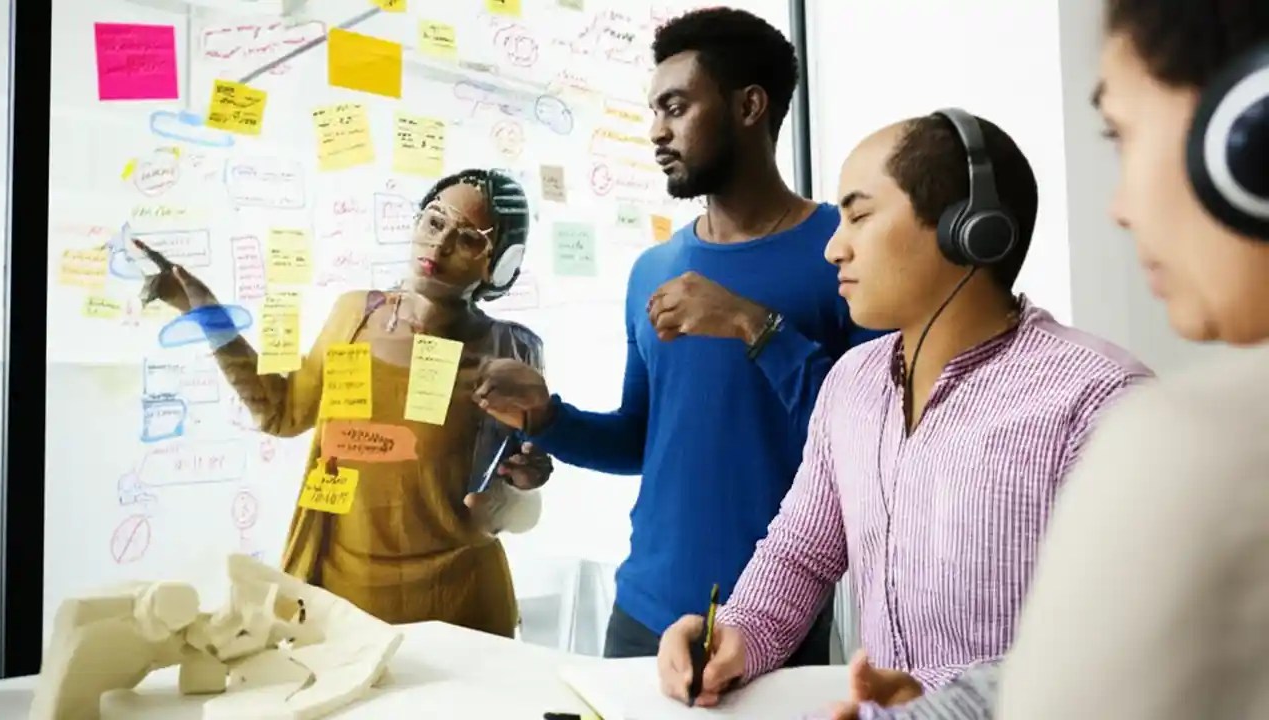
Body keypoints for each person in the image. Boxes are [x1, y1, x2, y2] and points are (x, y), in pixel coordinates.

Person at [801, 2, 1269, 719]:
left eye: (1122, 133)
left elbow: (1095, 685)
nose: (1116, 205)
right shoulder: (853, 384)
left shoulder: (1148, 419)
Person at [654, 109, 1153, 710]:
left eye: (859, 216)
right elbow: (802, 552)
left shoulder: (1100, 400)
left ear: (967, 229)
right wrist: (739, 634)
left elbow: (1122, 645)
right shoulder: (852, 383)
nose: (835, 248)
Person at [473, 7, 885, 663]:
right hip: (639, 613)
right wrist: (546, 417)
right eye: (653, 112)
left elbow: (872, 445)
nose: (656, 133)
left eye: (675, 107)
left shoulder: (845, 252)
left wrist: (755, 325)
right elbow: (641, 438)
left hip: (770, 624)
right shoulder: (654, 271)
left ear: (750, 106)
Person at [134, 168, 552, 637]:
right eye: (434, 223)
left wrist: (525, 482)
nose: (439, 247)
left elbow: (516, 498)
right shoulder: (353, 314)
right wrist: (206, 315)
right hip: (341, 596)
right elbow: (282, 411)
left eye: (468, 239)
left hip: (458, 601)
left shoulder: (510, 349)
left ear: (500, 264)